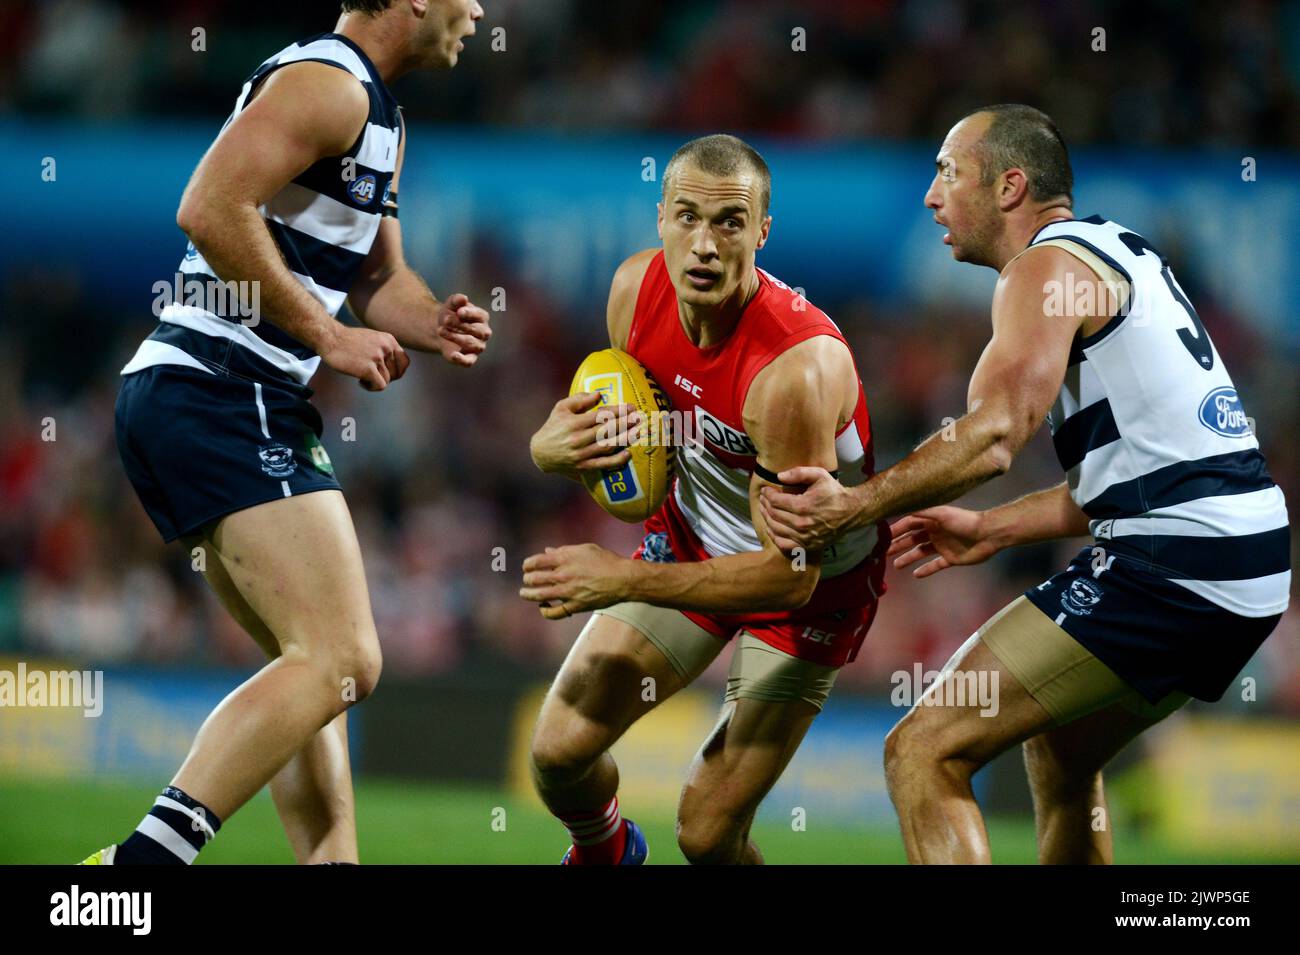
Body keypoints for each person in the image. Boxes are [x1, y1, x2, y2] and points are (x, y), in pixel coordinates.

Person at [759, 104, 1291, 863]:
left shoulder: (1042, 269)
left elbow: (996, 434)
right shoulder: (1118, 252)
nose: (930, 195)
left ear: (1010, 185)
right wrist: (990, 527)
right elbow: (1152, 474)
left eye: (947, 172)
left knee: (923, 747)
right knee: (1063, 749)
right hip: (1246, 561)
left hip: (1178, 565)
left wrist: (852, 507)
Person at [84, 0, 491, 865]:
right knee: (347, 655)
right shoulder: (330, 85)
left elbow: (377, 276)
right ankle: (139, 867)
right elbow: (208, 206)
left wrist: (432, 320)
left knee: (313, 669)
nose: (480, 11)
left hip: (217, 393)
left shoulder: (381, 114)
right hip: (221, 384)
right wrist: (329, 334)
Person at [520, 134, 890, 864]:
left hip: (809, 593)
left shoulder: (791, 372)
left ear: (762, 232)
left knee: (707, 835)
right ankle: (606, 852)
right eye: (687, 216)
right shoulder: (632, 292)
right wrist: (548, 450)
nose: (705, 244)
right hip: (693, 538)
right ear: (660, 217)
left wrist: (624, 577)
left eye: (729, 223)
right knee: (558, 753)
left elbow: (791, 575)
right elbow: (623, 438)